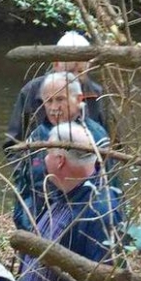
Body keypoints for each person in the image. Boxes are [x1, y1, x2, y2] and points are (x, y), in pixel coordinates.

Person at [17, 123, 125, 281]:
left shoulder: (97, 211)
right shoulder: (66, 193)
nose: (44, 161)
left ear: (60, 160)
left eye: (47, 154)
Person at [11, 72, 110, 230]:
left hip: (82, 228)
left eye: (60, 99)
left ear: (78, 99)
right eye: (48, 101)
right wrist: (26, 225)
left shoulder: (96, 137)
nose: (53, 108)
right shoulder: (37, 137)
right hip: (38, 227)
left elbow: (110, 189)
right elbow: (24, 188)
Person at [8, 31, 109, 150]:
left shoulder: (98, 94)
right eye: (70, 72)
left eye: (81, 72)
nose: (75, 78)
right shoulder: (31, 91)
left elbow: (114, 145)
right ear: (56, 64)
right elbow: (13, 143)